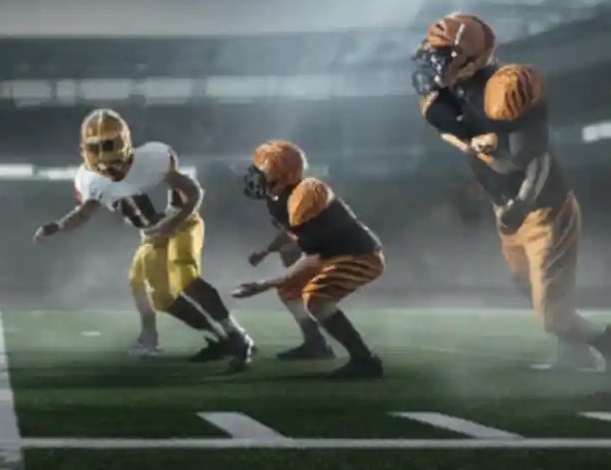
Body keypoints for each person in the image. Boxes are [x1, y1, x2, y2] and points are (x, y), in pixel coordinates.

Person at [414, 12, 611, 385]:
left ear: (469, 57)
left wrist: (521, 204)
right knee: (525, 286)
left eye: (441, 56)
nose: (433, 64)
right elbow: (461, 132)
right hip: (508, 207)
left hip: (543, 206)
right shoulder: (449, 97)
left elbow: (535, 158)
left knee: (553, 315)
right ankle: (574, 354)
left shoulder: (507, 87)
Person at [33, 108, 255, 370]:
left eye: (109, 145)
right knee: (161, 298)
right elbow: (84, 213)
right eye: (97, 147)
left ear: (123, 142)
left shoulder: (152, 159)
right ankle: (219, 338)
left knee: (184, 278)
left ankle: (239, 337)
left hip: (182, 224)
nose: (105, 158)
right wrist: (57, 226)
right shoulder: (89, 179)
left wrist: (174, 220)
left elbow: (194, 191)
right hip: (151, 236)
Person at [234, 141, 385, 378]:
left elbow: (312, 256)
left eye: (265, 168)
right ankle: (315, 344)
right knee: (289, 290)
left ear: (283, 172)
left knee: (315, 297)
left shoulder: (308, 193)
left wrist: (265, 284)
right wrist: (267, 250)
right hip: (331, 254)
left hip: (359, 255)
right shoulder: (281, 198)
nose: (258, 173)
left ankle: (365, 360)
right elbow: (291, 232)